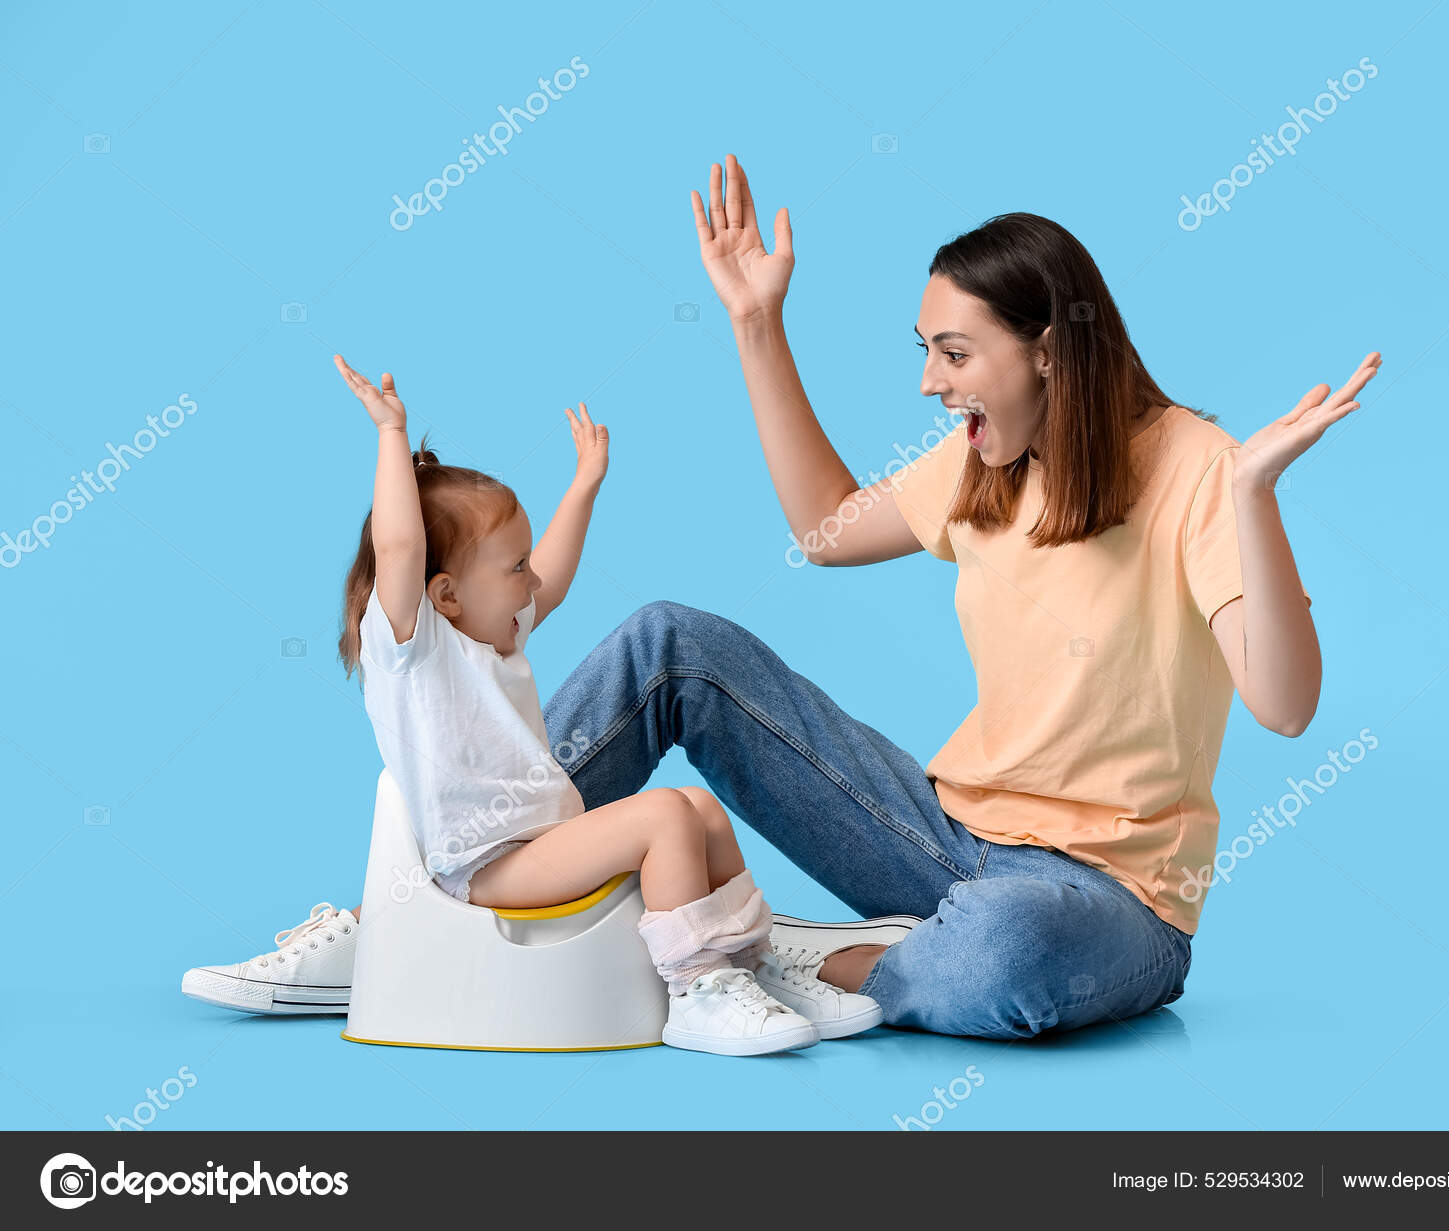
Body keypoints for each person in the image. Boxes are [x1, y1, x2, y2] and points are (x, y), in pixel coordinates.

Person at [184, 152, 1378, 1041]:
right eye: (925, 349)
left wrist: (1257, 496)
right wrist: (759, 325)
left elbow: (1282, 706)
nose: (929, 381)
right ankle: (435, 899)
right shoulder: (979, 462)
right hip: (938, 834)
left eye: (953, 353)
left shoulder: (1191, 465)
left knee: (1010, 955)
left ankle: (822, 965)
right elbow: (826, 529)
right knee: (672, 645)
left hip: (1105, 895)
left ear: (1049, 350)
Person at [179, 353, 880, 1057]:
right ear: (446, 593)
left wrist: (583, 486)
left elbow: (558, 577)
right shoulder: (416, 648)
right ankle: (697, 989)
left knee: (698, 810)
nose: (531, 577)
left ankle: (750, 965)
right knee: (666, 813)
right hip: (483, 867)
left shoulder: (497, 631)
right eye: (514, 567)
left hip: (537, 843)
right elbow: (399, 545)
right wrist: (393, 434)